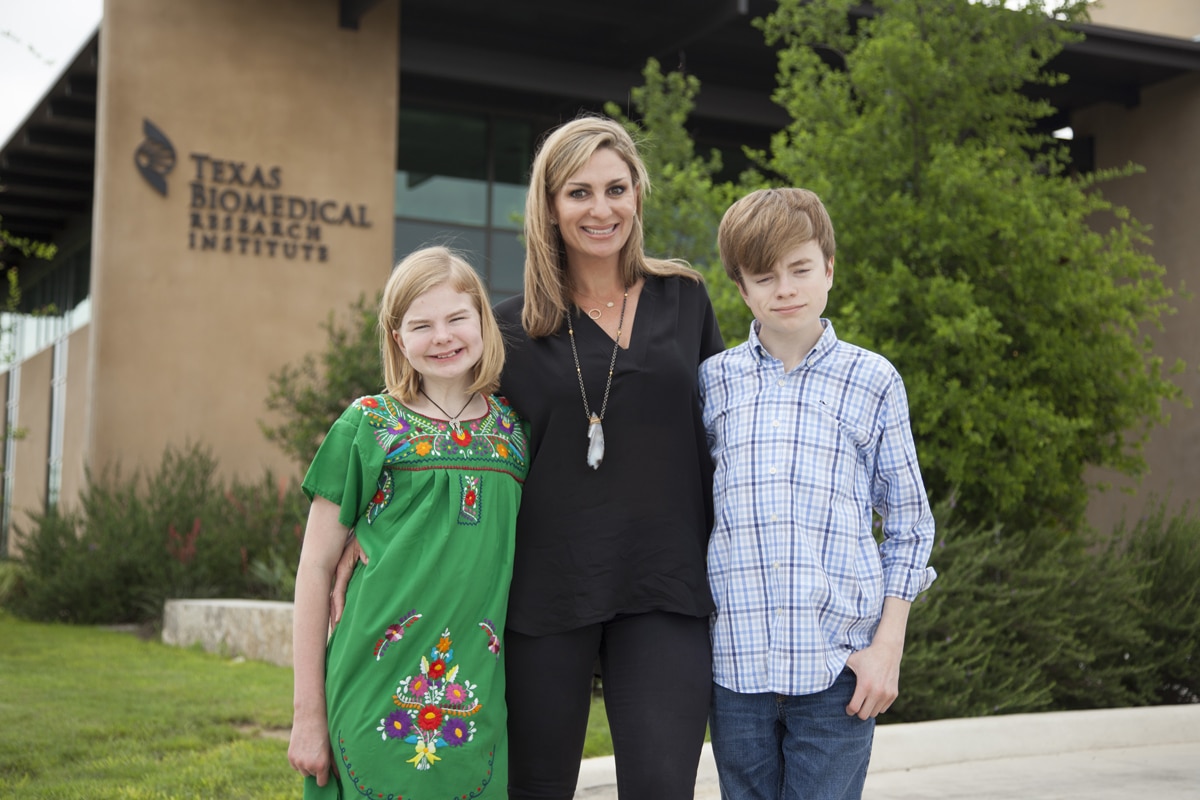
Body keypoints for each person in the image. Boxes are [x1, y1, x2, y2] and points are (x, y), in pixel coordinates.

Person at [332, 114, 724, 798]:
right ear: (549, 205)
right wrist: (361, 526)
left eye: (615, 188)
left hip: (664, 585)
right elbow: (444, 420)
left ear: (638, 194)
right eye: (578, 192)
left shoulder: (684, 298)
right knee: (533, 788)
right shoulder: (507, 329)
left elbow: (727, 439)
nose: (600, 209)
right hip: (543, 591)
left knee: (664, 787)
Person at [699, 188, 937, 800]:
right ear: (742, 289)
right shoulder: (713, 383)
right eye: (764, 276)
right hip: (736, 674)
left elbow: (910, 526)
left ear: (828, 269)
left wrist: (887, 650)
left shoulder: (873, 380)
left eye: (801, 269)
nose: (785, 288)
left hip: (837, 675)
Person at [287, 246, 529, 799]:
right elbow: (314, 569)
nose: (442, 336)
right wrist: (307, 715)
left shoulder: (517, 432)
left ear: (484, 323)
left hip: (475, 690)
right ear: (398, 339)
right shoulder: (366, 425)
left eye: (456, 319)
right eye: (421, 325)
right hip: (372, 679)